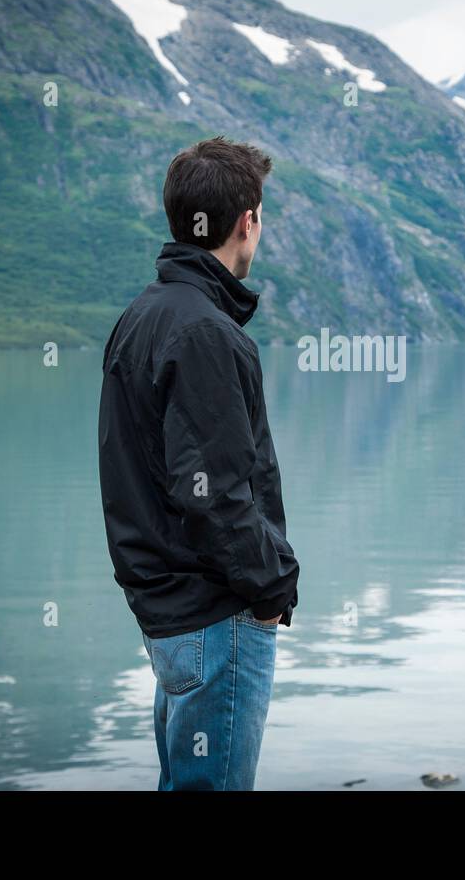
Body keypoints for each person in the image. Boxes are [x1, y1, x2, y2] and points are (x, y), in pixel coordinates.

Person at [98, 136, 300, 790]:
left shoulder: (142, 317)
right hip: (218, 619)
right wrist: (272, 586)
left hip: (173, 615)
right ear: (247, 222)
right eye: (261, 216)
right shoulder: (207, 334)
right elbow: (210, 494)